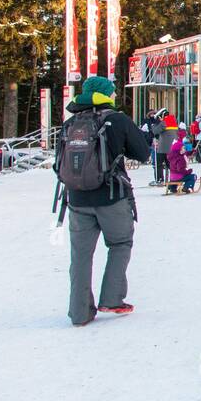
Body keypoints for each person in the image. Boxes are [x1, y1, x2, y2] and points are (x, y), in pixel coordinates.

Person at [57, 76, 152, 326]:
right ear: (106, 95)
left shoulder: (69, 124)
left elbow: (60, 164)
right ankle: (111, 298)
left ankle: (79, 312)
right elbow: (142, 152)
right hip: (112, 197)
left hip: (77, 199)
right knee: (120, 244)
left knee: (80, 255)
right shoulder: (116, 119)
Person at [153, 109, 177, 185]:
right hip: (172, 147)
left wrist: (155, 124)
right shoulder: (173, 121)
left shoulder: (164, 122)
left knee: (158, 164)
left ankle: (159, 179)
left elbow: (155, 131)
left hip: (164, 147)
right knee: (170, 164)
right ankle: (175, 178)